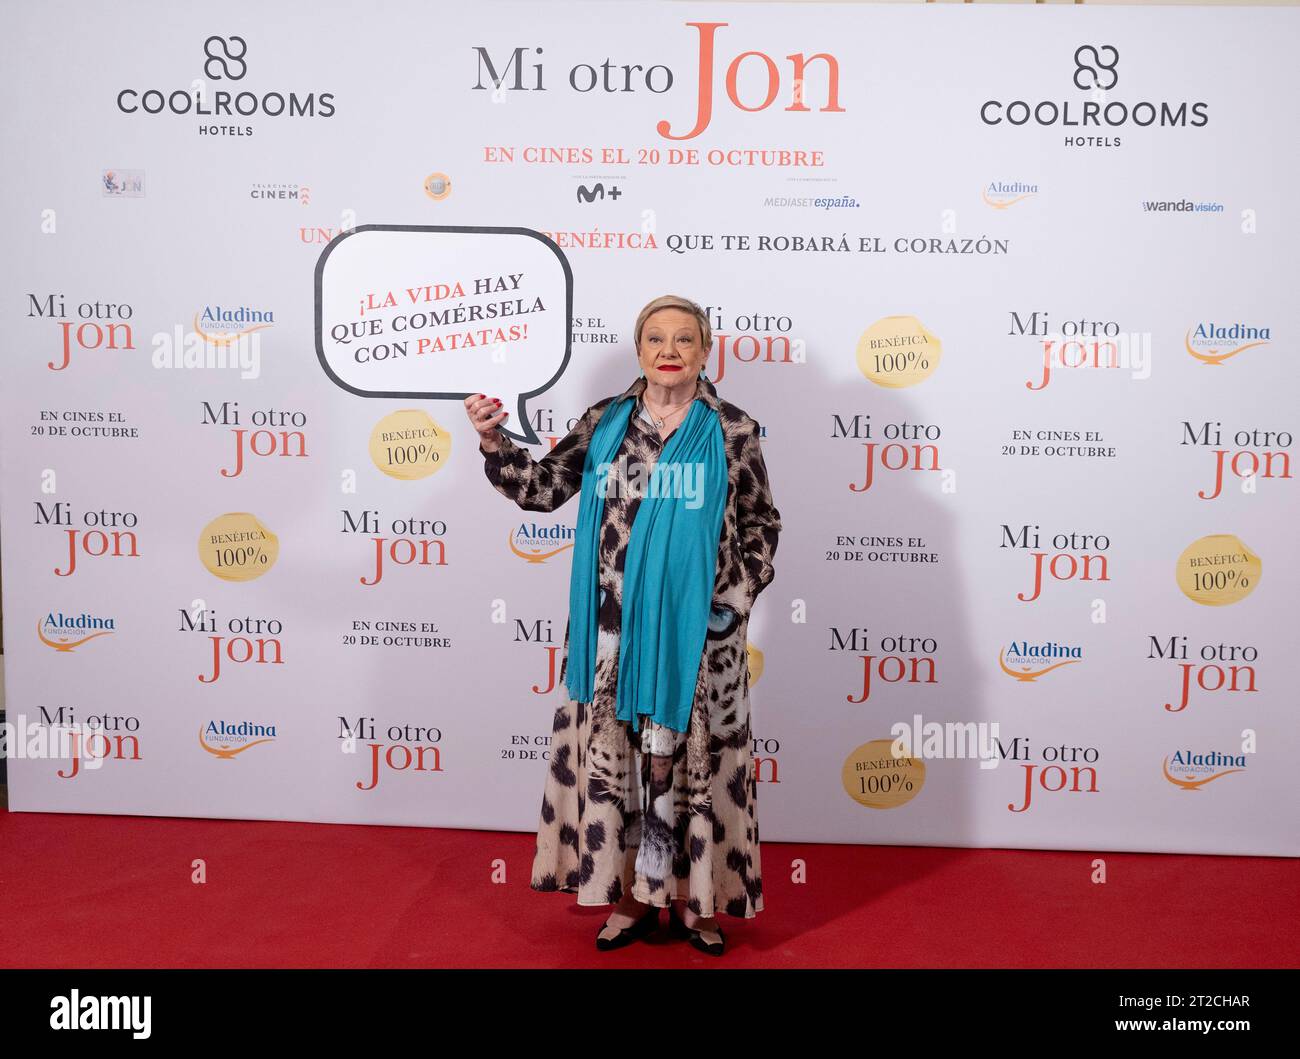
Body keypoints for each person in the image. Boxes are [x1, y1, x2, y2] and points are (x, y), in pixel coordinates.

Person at [465, 294, 782, 956]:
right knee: (621, 765)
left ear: (704, 350)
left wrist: (732, 599)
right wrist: (494, 441)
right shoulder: (605, 422)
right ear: (639, 350)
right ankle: (636, 897)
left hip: (698, 640)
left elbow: (760, 523)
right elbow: (546, 487)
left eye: (684, 339)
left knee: (691, 766)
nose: (670, 349)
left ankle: (697, 902)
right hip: (610, 635)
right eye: (656, 338)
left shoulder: (734, 430)